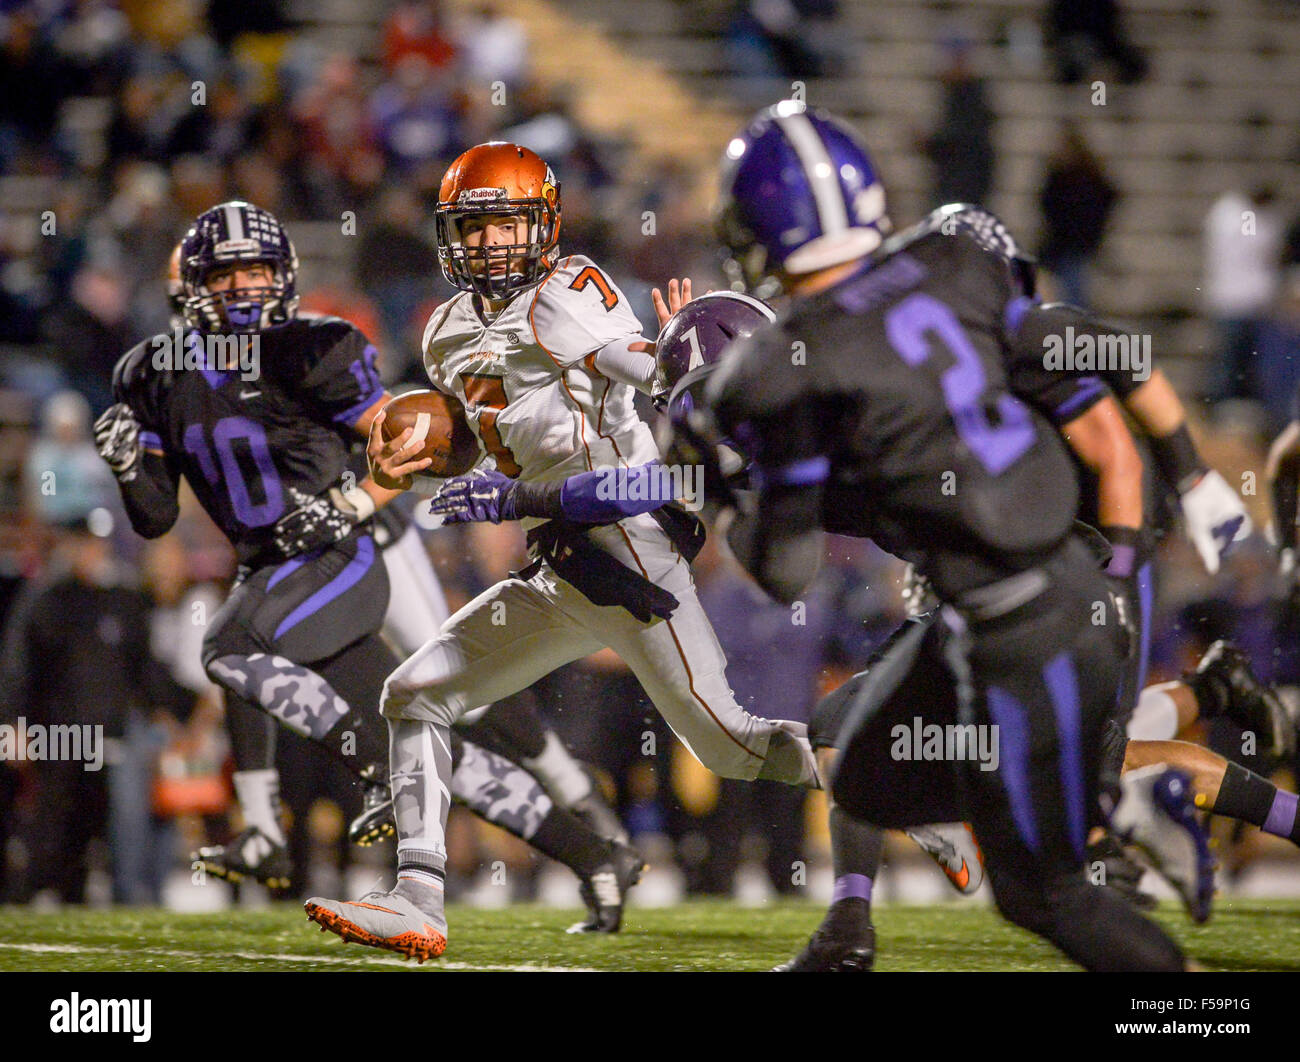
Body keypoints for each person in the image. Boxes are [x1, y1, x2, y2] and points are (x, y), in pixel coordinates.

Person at [697, 102, 1198, 971]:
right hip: (1043, 588)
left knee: (1045, 898)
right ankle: (1078, 803)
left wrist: (724, 481)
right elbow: (1077, 412)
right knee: (859, 772)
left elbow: (784, 572)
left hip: (1015, 624)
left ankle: (1188, 988)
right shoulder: (957, 262)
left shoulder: (781, 364)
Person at [304, 142, 821, 961]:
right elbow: (486, 440)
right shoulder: (443, 329)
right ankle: (417, 899)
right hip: (559, 561)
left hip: (626, 544)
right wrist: (417, 456)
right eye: (473, 227)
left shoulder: (565, 295)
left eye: (506, 222)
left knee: (730, 743)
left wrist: (681, 355)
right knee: (415, 695)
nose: (488, 243)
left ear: (542, 225)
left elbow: (649, 377)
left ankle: (902, 786)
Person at [96, 203, 642, 930]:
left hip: (347, 548)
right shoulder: (154, 375)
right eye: (227, 275)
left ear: (284, 277)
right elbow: (155, 518)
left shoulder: (310, 349)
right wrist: (131, 468)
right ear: (192, 286)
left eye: (258, 272)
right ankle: (594, 856)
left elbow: (410, 442)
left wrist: (356, 498)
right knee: (417, 728)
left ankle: (428, 781)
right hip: (276, 573)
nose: (246, 288)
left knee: (239, 648)